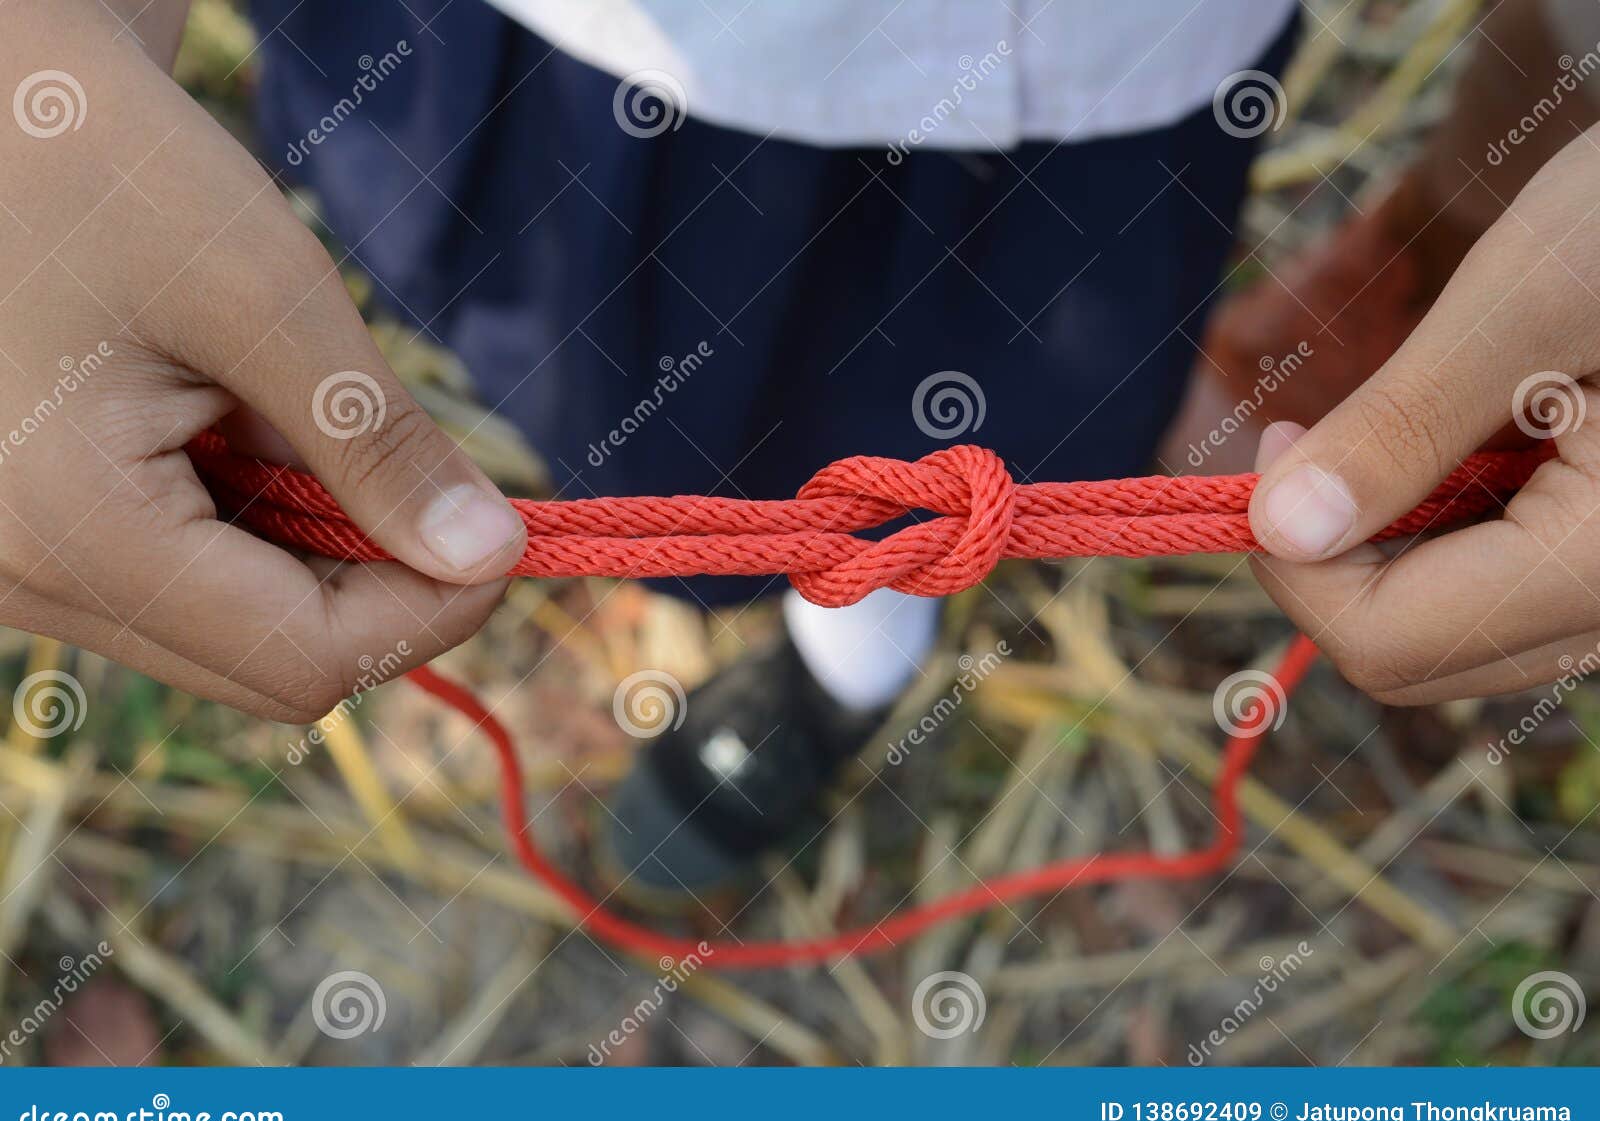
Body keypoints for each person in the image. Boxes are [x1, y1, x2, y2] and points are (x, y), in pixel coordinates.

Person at [3, 0, 1599, 897]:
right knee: (612, 391)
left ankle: (854, 651)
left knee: (962, 418)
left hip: (1083, 83)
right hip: (560, 53)